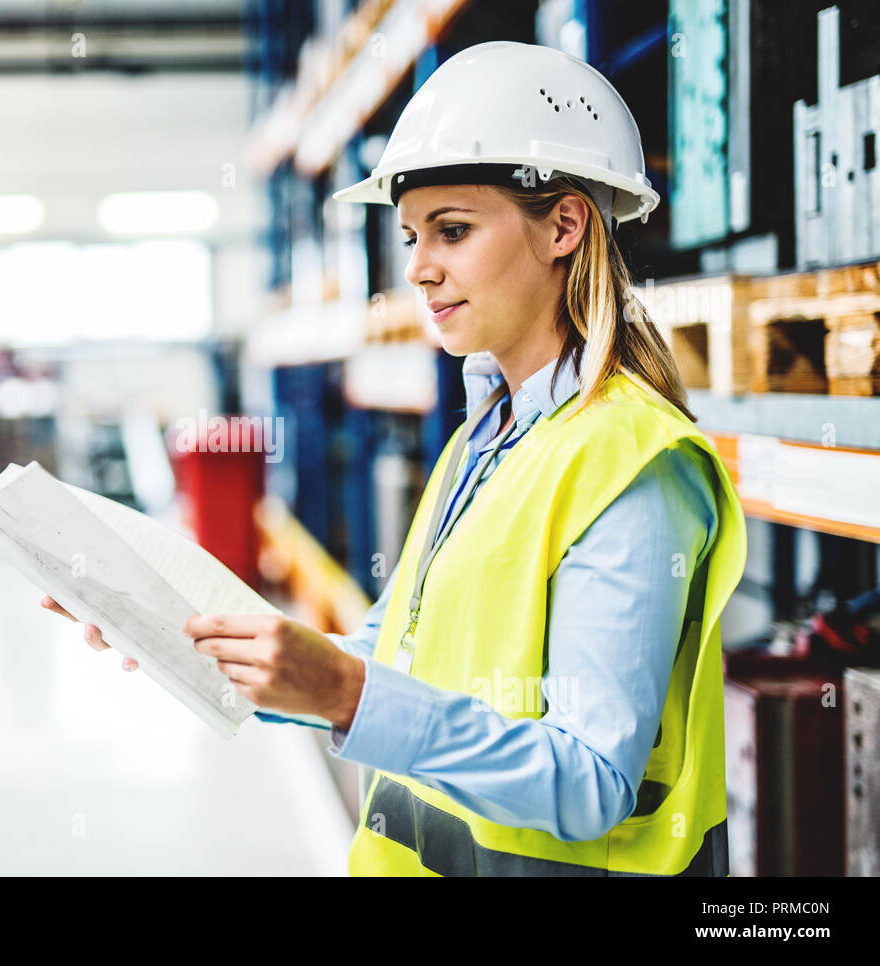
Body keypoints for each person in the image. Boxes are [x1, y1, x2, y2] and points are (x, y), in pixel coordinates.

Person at [41, 40, 747, 877]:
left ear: (564, 225)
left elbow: (591, 781)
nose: (417, 268)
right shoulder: (482, 442)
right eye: (411, 236)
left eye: (452, 230)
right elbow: (394, 656)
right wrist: (205, 644)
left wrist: (344, 692)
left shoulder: (632, 462)